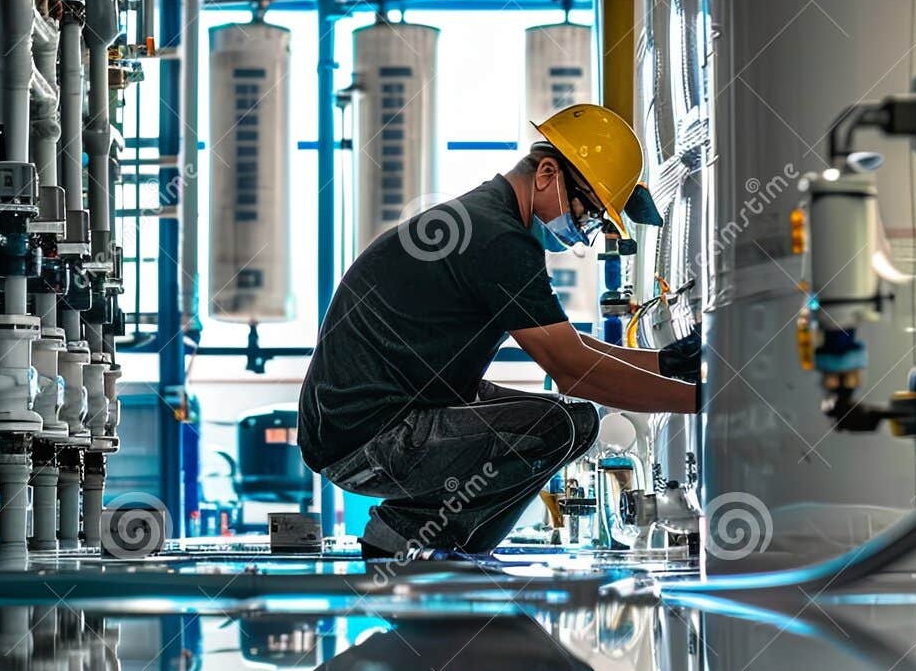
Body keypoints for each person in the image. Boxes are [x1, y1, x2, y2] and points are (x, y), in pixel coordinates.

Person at [298, 103, 700, 560]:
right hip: (369, 440)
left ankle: (434, 543)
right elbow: (573, 371)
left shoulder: (486, 220)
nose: (583, 232)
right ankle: (408, 536)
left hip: (355, 427)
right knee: (565, 425)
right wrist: (703, 401)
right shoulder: (498, 239)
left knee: (548, 417)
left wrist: (663, 363)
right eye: (587, 212)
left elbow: (567, 345)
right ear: (547, 173)